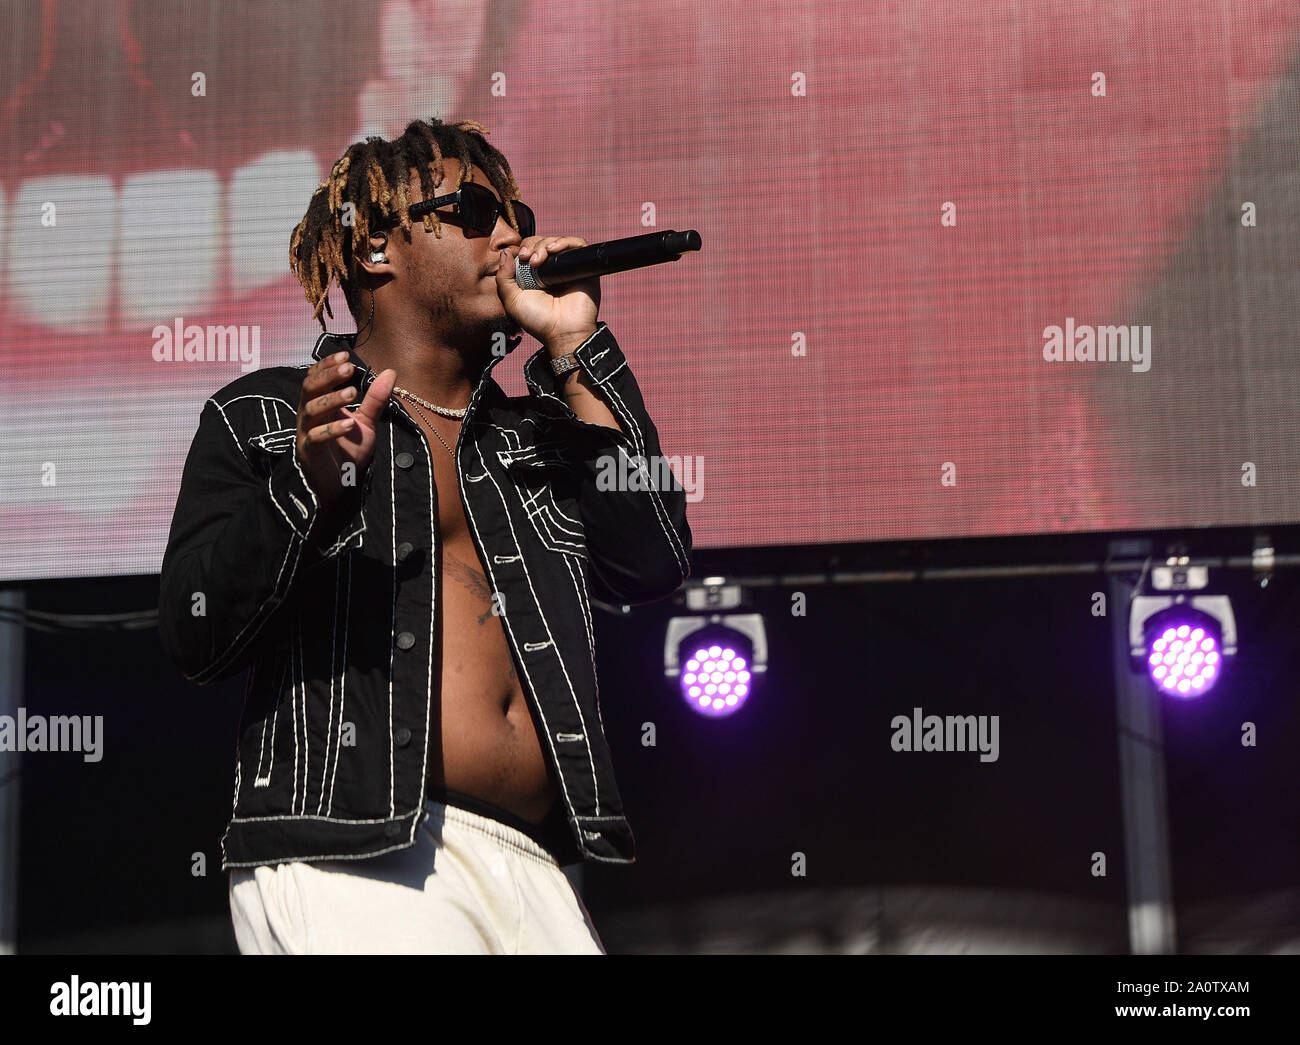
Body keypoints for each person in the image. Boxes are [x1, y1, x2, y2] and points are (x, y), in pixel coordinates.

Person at [158, 117, 693, 953]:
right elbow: (195, 632)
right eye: (476, 210)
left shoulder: (535, 434)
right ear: (376, 247)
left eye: (517, 210)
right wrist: (309, 488)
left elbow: (654, 556)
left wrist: (575, 346)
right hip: (356, 853)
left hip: (534, 863)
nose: (512, 233)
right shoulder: (268, 418)